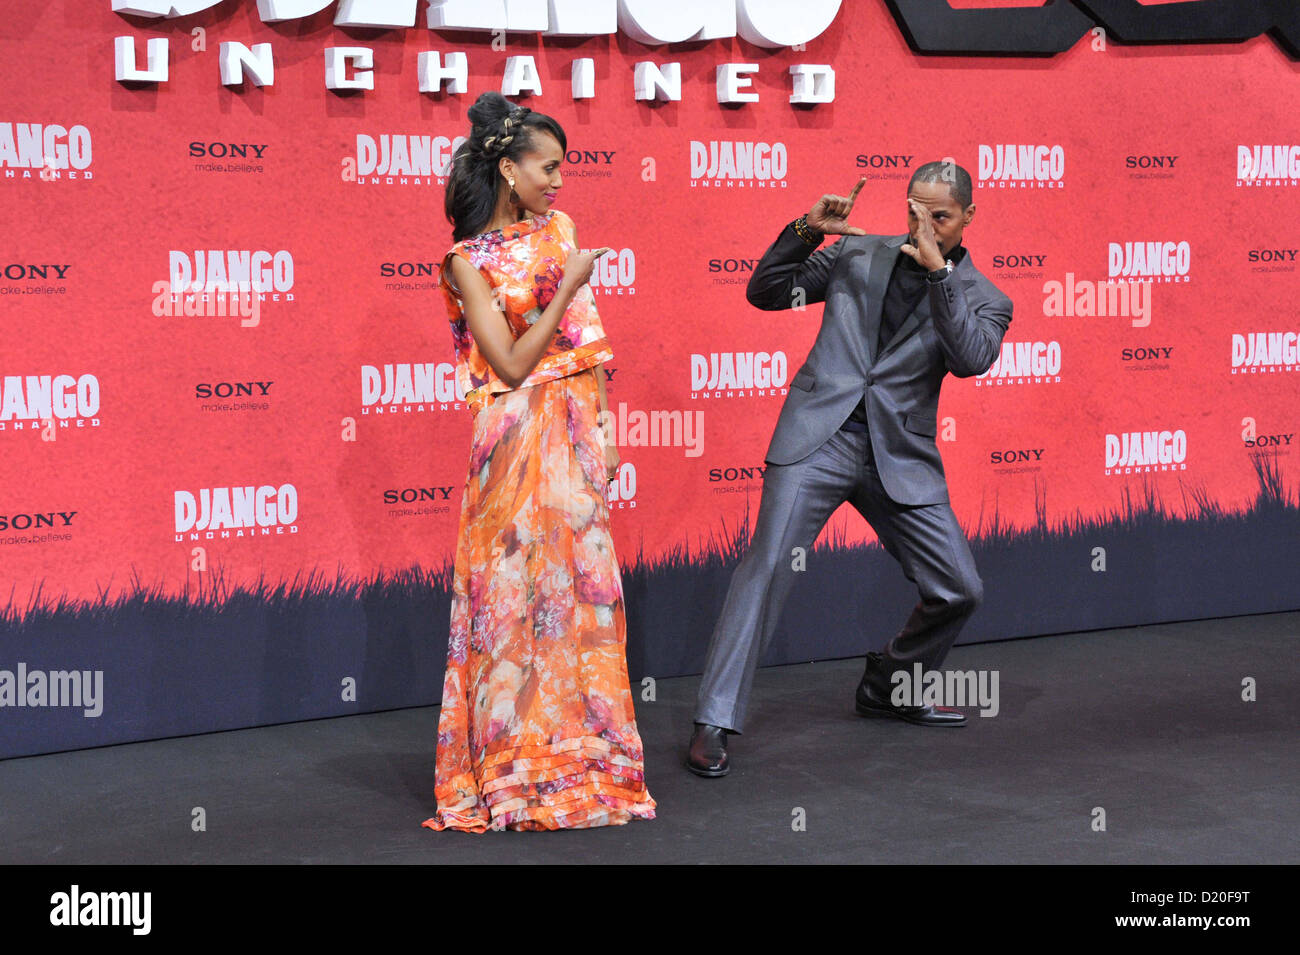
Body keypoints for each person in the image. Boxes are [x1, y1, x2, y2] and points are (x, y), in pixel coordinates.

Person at [686, 162, 1014, 777]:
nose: (923, 223)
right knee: (766, 568)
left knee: (959, 589)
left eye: (938, 216)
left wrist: (938, 272)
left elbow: (970, 359)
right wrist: (806, 232)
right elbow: (766, 292)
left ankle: (891, 687)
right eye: (914, 208)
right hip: (820, 437)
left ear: (968, 218)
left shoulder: (984, 298)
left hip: (899, 455)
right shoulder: (856, 254)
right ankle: (714, 720)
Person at [422, 92, 656, 830]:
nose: (559, 181)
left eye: (563, 168)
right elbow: (513, 362)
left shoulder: (559, 230)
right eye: (548, 167)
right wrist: (569, 286)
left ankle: (584, 761)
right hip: (510, 438)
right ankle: (508, 770)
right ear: (507, 167)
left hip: (573, 434)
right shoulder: (465, 262)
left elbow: (588, 350)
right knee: (509, 605)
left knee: (580, 602)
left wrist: (608, 432)